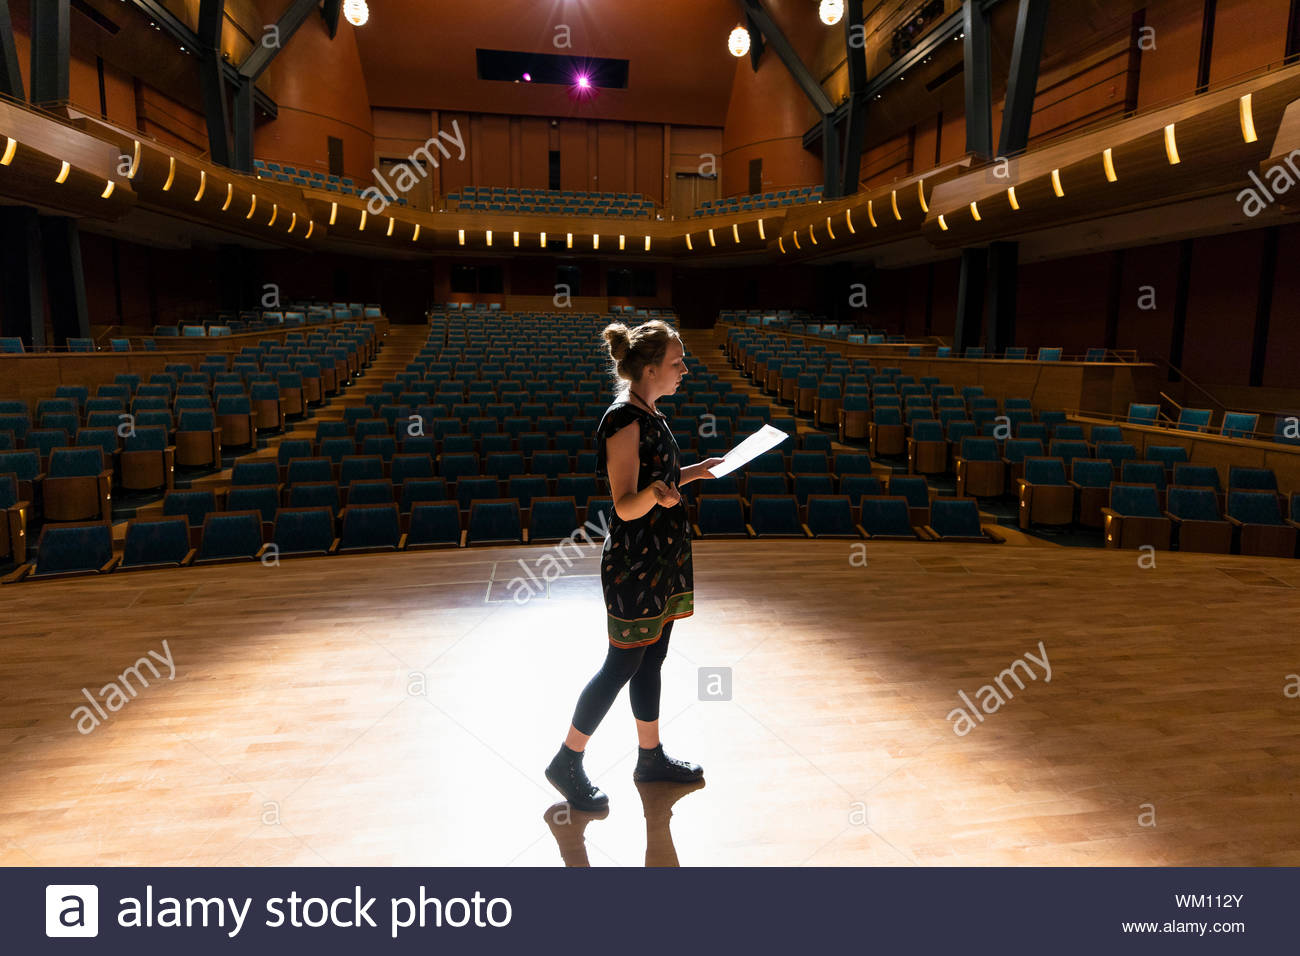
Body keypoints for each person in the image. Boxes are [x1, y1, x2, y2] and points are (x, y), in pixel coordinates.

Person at [544, 319, 724, 811]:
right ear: (648, 369)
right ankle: (567, 759)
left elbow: (657, 482)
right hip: (635, 561)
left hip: (662, 555)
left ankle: (650, 756)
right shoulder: (623, 419)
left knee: (653, 656)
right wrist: (656, 495)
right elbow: (624, 504)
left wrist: (691, 473)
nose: (684, 369)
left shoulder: (651, 413)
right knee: (622, 662)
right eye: (676, 362)